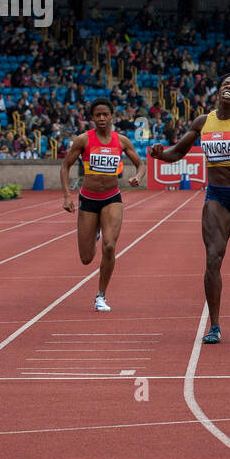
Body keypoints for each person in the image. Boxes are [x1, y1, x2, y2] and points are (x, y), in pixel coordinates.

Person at [150, 76, 230, 344]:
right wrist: (161, 154)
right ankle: (215, 326)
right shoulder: (203, 122)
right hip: (216, 197)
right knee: (212, 259)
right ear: (218, 92)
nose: (228, 86)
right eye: (225, 84)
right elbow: (178, 152)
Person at [60, 99, 147, 312]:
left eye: (105, 114)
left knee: (109, 246)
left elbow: (140, 164)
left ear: (112, 117)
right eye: (97, 115)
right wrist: (67, 196)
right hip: (88, 200)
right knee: (86, 258)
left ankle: (101, 295)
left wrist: (137, 176)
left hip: (112, 199)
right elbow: (65, 166)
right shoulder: (83, 140)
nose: (101, 118)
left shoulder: (122, 141)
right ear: (92, 117)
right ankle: (94, 232)